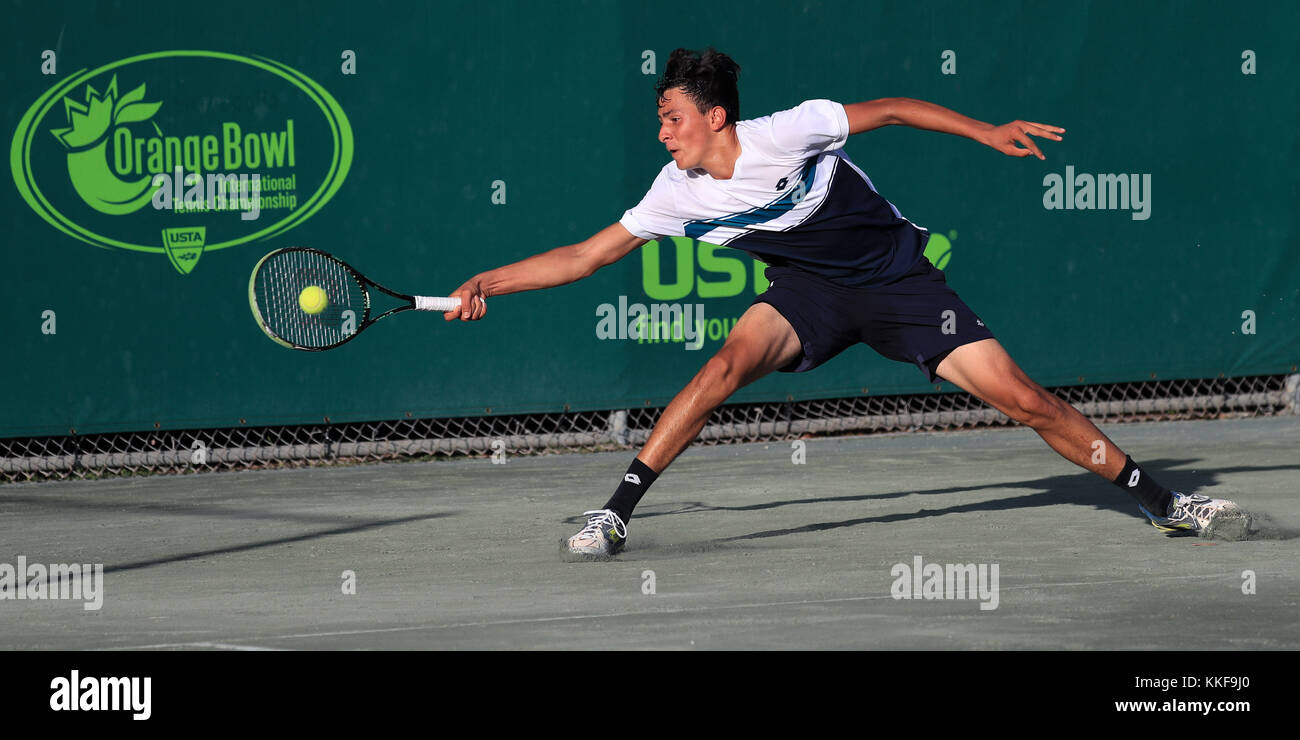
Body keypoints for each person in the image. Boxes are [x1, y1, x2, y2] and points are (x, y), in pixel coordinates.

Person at [445, 47, 1247, 559]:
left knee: (1025, 400)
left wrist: (985, 130)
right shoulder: (674, 191)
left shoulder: (788, 132)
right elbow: (586, 257)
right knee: (721, 368)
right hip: (809, 295)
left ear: (714, 117)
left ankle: (1164, 504)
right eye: (661, 121)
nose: (663, 134)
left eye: (672, 119)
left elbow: (894, 110)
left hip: (901, 284)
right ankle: (617, 513)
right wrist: (488, 281)